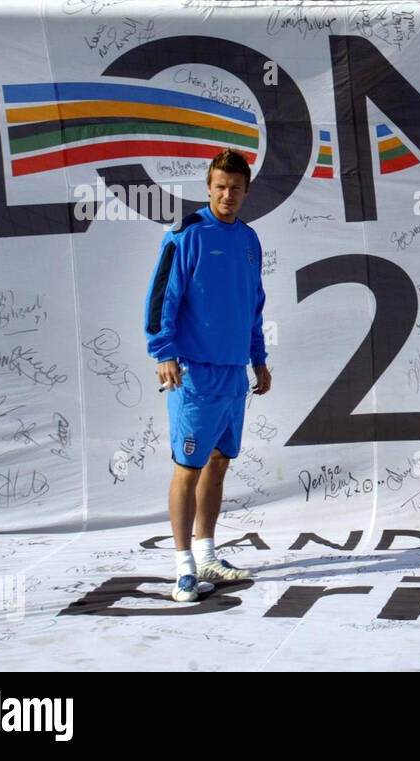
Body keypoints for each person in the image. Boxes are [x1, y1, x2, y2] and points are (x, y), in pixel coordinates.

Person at [144, 148, 271, 602]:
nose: (227, 195)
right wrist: (163, 351)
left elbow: (253, 305)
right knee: (187, 468)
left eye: (235, 188)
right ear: (209, 188)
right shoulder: (187, 234)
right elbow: (163, 297)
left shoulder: (250, 240)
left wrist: (258, 358)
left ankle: (208, 554)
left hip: (234, 373)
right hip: (193, 374)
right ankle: (183, 567)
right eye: (220, 186)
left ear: (246, 191)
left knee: (218, 464)